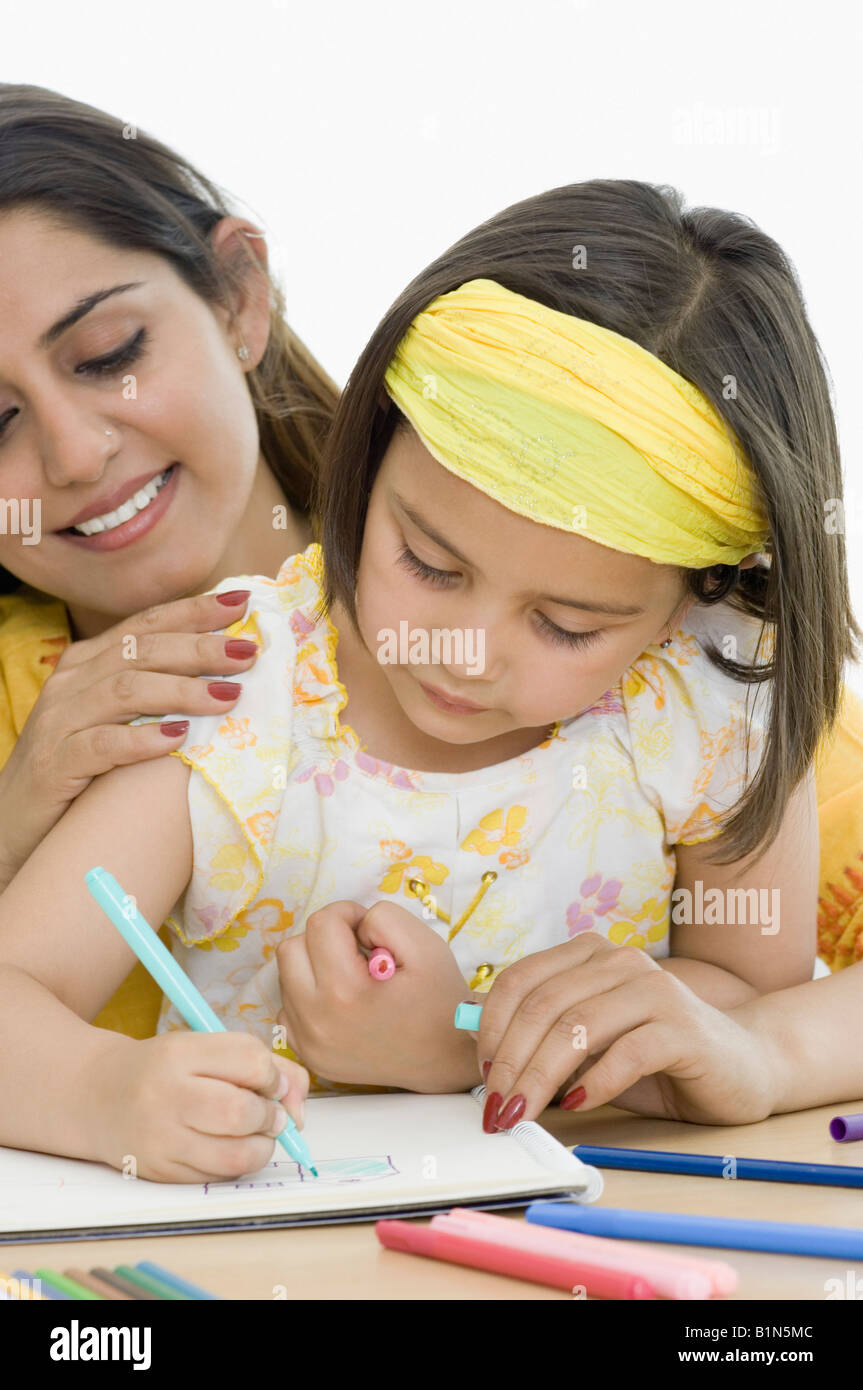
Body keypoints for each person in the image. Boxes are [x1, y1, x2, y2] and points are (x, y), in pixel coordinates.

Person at [0, 179, 859, 1181]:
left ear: (686, 601)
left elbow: (744, 1008)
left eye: (565, 623)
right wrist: (109, 1093)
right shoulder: (238, 688)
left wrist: (755, 1053)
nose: (468, 650)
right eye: (428, 563)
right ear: (369, 460)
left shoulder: (702, 705)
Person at [0, 85, 338, 1038]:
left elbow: (791, 984)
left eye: (109, 354)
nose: (74, 455)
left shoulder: (546, 592)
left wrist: (748, 1045)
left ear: (239, 296)